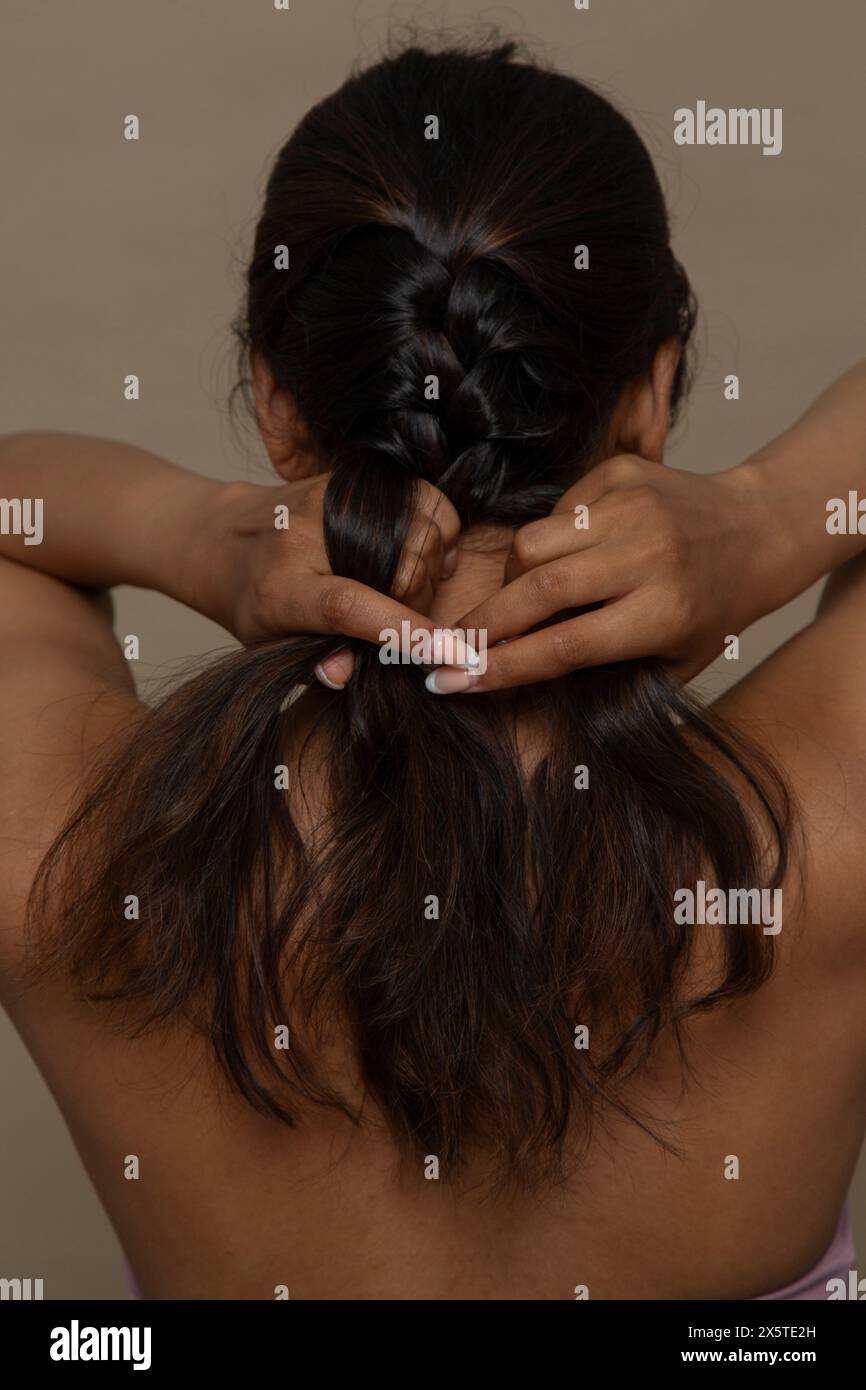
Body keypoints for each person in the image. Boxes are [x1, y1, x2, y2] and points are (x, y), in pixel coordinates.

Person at [1, 36, 865, 1301]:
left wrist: (197, 532)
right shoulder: (828, 822)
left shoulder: (65, 855)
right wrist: (775, 514)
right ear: (651, 395)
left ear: (276, 404)